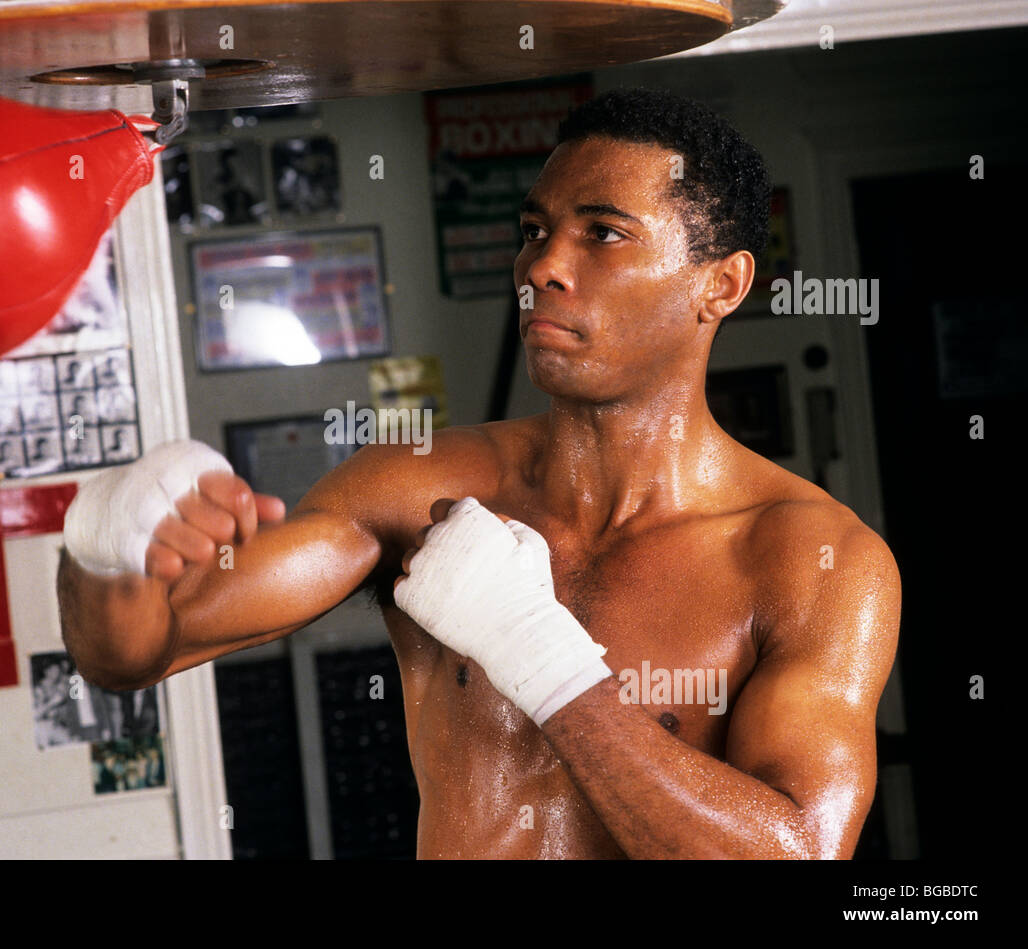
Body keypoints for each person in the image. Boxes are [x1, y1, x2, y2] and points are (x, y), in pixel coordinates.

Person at [57, 89, 901, 859]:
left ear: (721, 284)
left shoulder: (814, 561)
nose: (540, 269)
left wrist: (533, 649)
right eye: (536, 231)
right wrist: (108, 541)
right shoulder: (415, 489)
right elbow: (135, 651)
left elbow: (798, 851)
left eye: (602, 233)